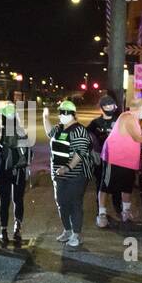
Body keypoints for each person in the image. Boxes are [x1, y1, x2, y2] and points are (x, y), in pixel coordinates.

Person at [101, 95, 142, 226]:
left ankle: (126, 212)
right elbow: (138, 138)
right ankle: (101, 213)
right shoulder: (128, 117)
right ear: (139, 108)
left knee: (127, 186)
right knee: (106, 186)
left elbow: (135, 133)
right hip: (114, 158)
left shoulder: (133, 119)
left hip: (127, 159)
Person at [42, 99, 93, 247]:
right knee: (61, 203)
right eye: (60, 113)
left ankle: (76, 234)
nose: (62, 115)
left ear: (72, 114)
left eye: (65, 113)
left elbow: (80, 152)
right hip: (58, 174)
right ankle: (67, 230)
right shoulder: (59, 128)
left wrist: (68, 167)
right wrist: (45, 118)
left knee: (74, 203)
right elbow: (49, 134)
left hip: (76, 175)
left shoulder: (79, 130)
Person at [0, 101, 31, 246]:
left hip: (3, 169)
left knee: (4, 200)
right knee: (18, 199)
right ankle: (17, 228)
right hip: (19, 170)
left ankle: (3, 231)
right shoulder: (22, 130)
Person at [88, 93, 124, 228]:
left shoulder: (120, 120)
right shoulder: (95, 123)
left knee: (117, 186)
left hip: (117, 159)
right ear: (101, 107)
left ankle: (119, 210)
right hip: (100, 160)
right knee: (101, 185)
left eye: (111, 104)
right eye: (106, 105)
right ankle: (101, 213)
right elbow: (85, 135)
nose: (109, 107)